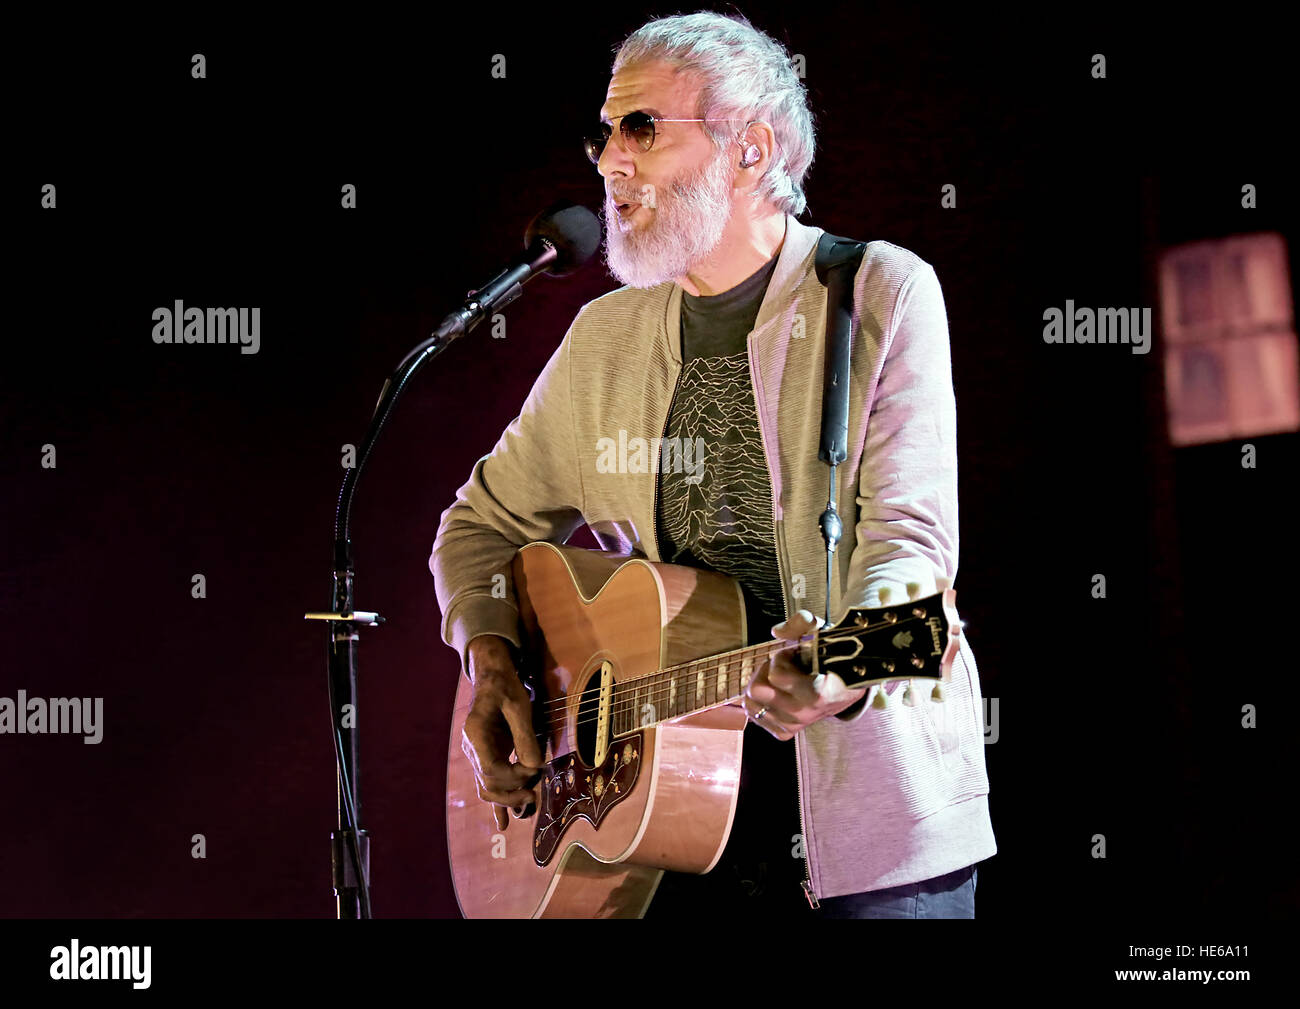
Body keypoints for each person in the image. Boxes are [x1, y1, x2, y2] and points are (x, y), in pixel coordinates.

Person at [431, 11, 995, 918]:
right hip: (663, 842)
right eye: (604, 133)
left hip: (871, 848)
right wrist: (494, 661)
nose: (610, 161)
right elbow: (480, 525)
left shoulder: (877, 292)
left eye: (641, 128)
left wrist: (845, 662)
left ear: (751, 145)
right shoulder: (604, 338)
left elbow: (910, 550)